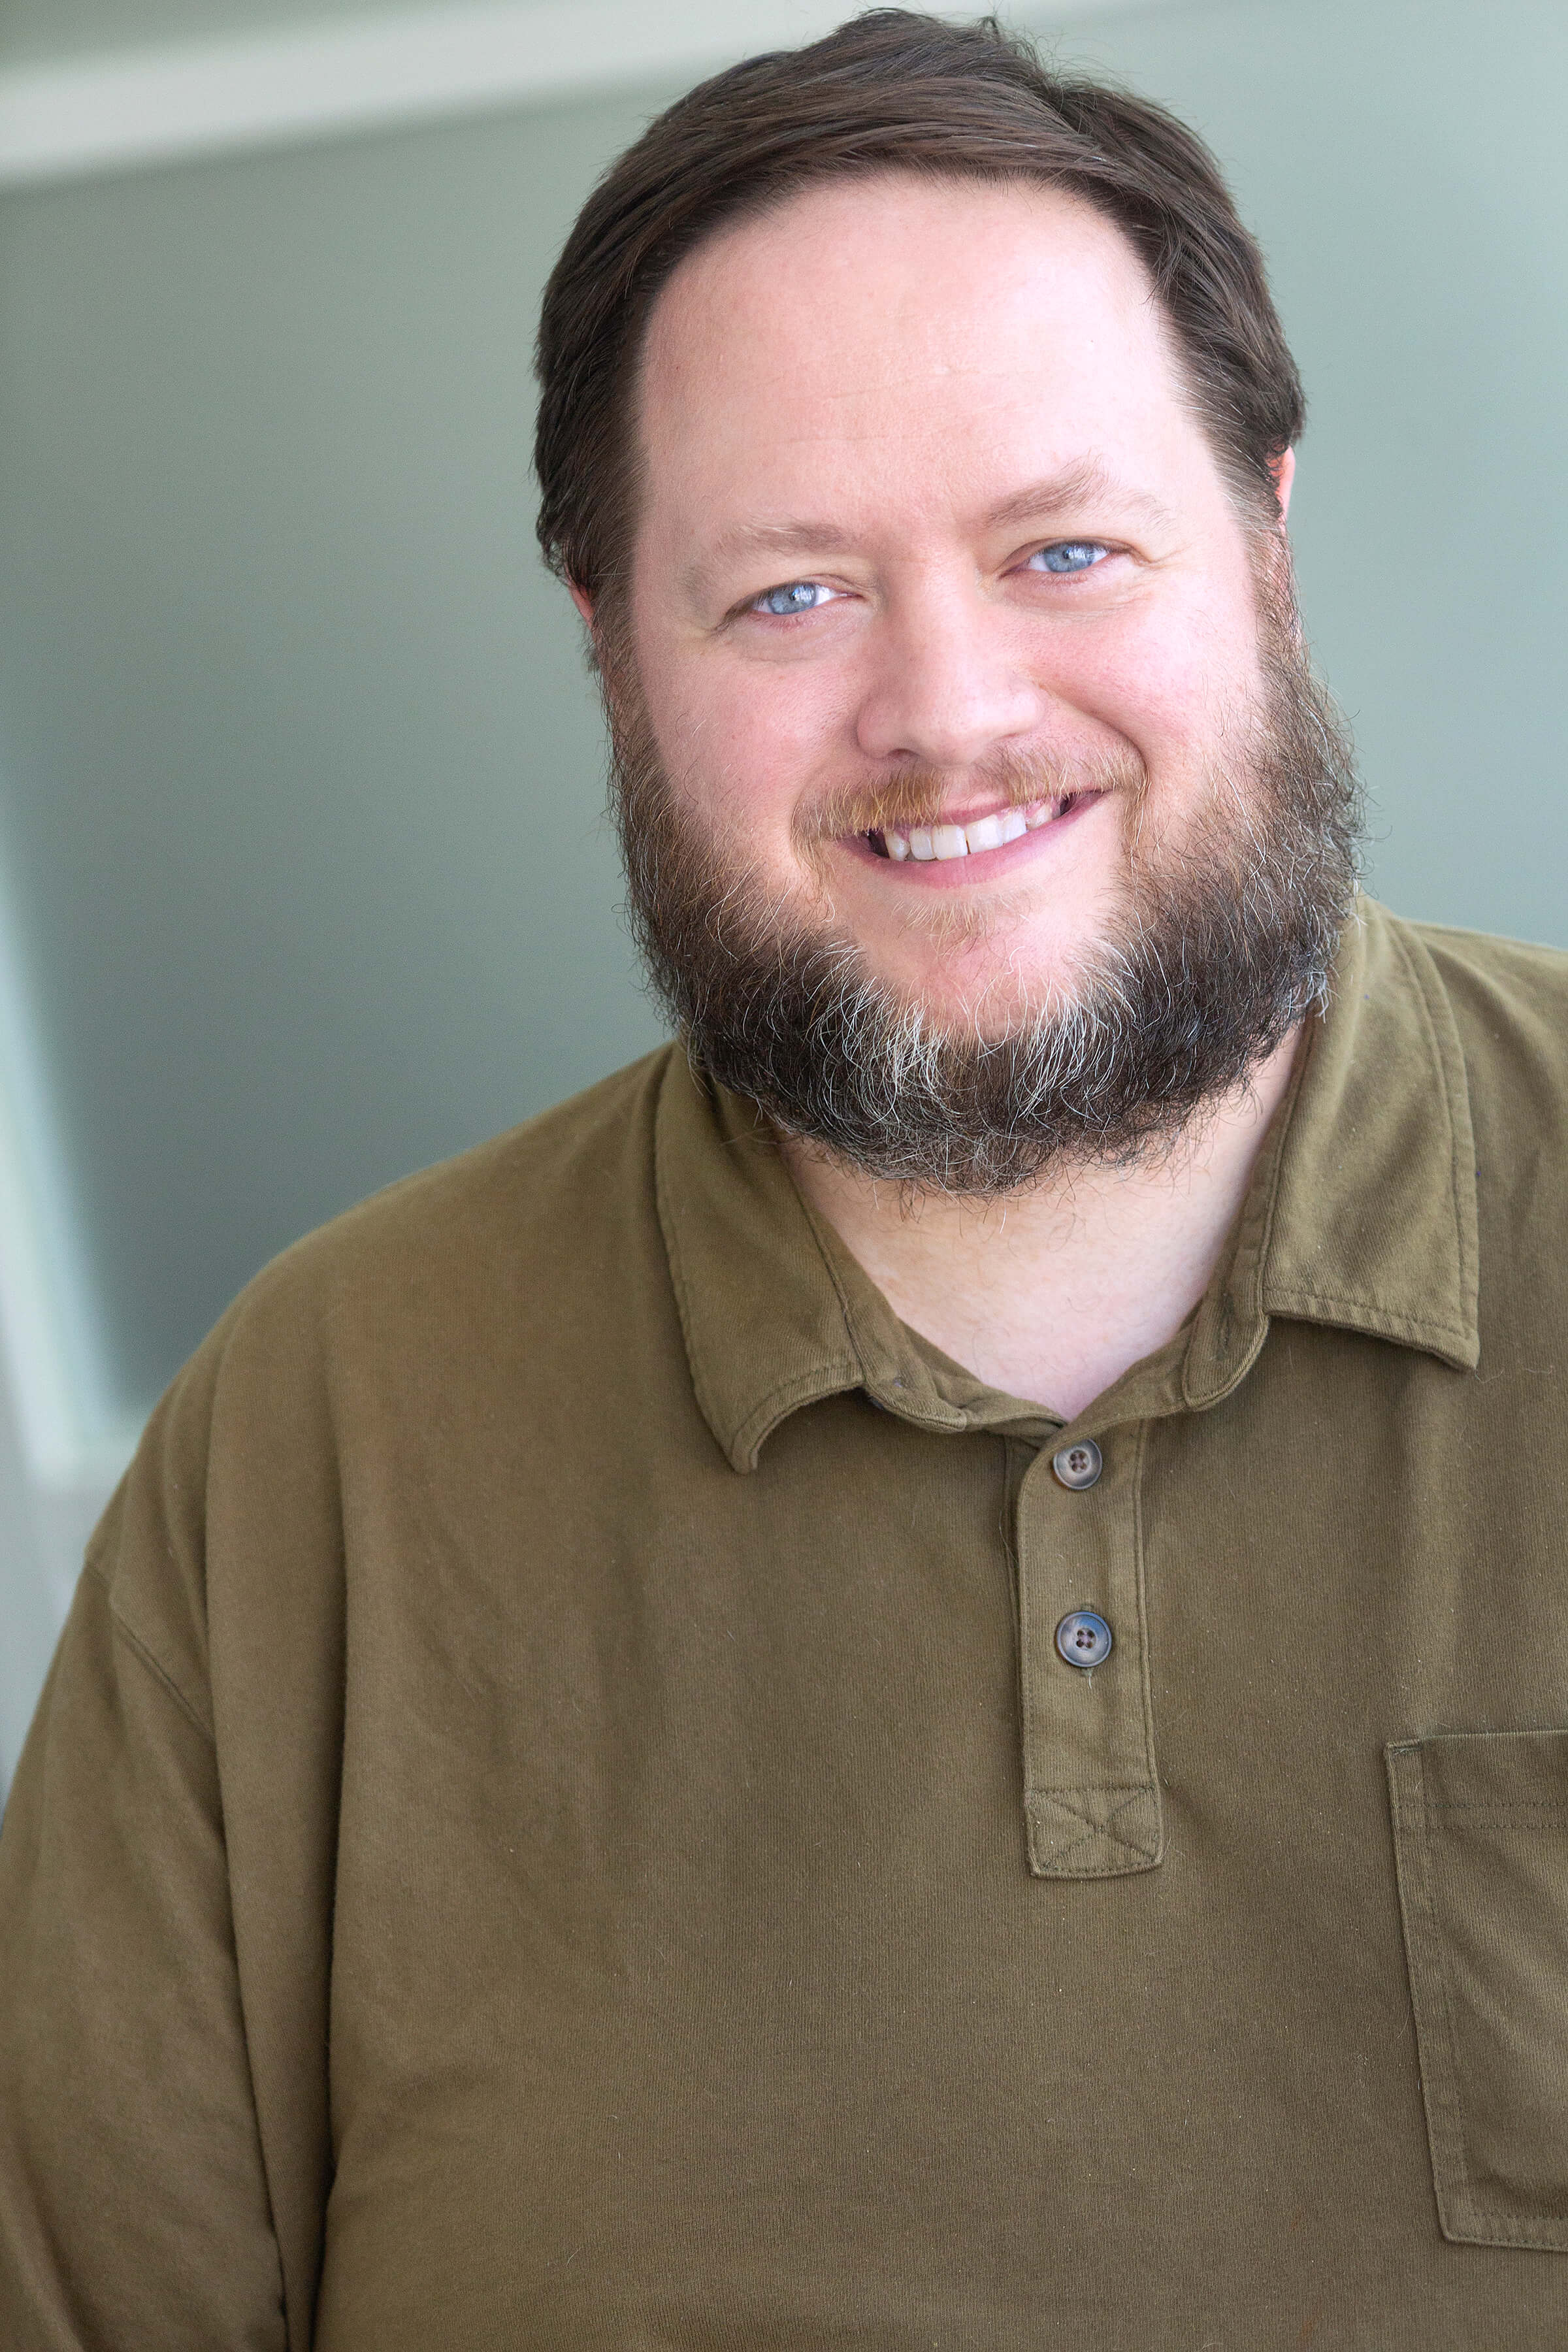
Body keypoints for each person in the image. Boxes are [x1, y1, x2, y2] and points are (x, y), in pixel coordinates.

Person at [3, 8, 1566, 2344]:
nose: (949, 712)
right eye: (791, 594)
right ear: (612, 657)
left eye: (1064, 547)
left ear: (1266, 545)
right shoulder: (309, 1444)